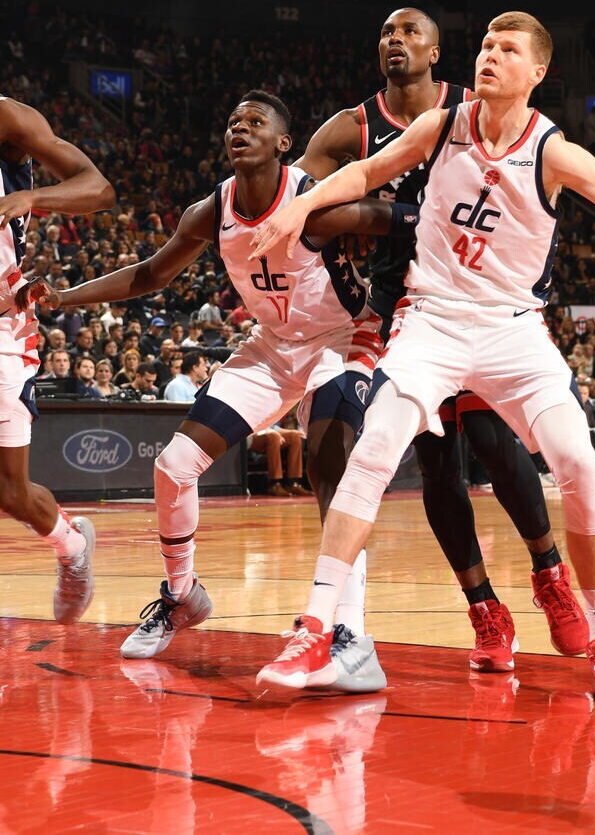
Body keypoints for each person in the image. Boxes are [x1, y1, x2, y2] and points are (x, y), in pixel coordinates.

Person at [252, 10, 595, 708]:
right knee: (376, 445)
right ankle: (314, 628)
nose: (489, 55)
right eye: (484, 44)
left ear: (537, 72)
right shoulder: (443, 125)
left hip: (512, 329)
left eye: (507, 49)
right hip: (432, 320)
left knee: (576, 462)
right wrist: (299, 209)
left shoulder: (553, 152)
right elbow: (364, 171)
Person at [23, 91, 407, 687]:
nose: (240, 127)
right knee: (174, 465)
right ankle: (183, 596)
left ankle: (348, 631)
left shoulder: (313, 199)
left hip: (342, 338)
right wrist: (66, 297)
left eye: (255, 122)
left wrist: (443, 216)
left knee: (329, 463)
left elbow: (389, 220)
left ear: (284, 143)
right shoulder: (212, 209)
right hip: (273, 347)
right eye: (232, 121)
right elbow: (151, 274)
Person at [293, 6, 585, 671]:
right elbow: (311, 197)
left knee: (494, 442)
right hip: (403, 302)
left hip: (481, 298)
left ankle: (549, 570)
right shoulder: (352, 126)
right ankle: (482, 605)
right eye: (385, 31)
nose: (395, 40)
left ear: (436, 51)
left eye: (410, 32)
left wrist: (381, 214)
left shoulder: (471, 106)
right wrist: (378, 215)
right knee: (436, 466)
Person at [0, 94, 113, 622]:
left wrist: (32, 198)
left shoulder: (8, 117)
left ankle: (71, 546)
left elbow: (97, 187)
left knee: (8, 489)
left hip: (2, 324)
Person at [248, 424, 314, 497]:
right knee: (273, 436)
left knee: (294, 437)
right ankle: (274, 484)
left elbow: (271, 425)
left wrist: (288, 431)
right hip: (252, 435)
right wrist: (272, 431)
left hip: (268, 430)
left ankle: (292, 483)